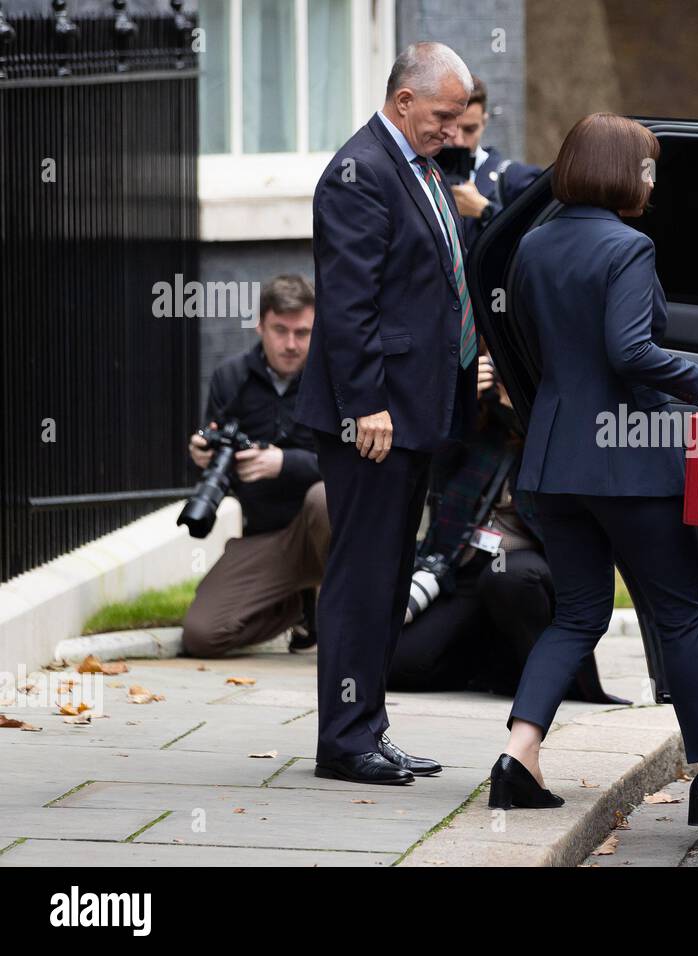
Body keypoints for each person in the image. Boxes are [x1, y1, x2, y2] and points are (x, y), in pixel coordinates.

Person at [487, 112, 698, 830]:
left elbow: (531, 351)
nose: (652, 181)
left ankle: (519, 755)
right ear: (617, 170)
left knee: (580, 613)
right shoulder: (629, 248)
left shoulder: (533, 245)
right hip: (629, 464)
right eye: (647, 168)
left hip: (555, 461)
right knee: (683, 617)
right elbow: (629, 351)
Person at [294, 41, 478, 786]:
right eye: (442, 116)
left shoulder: (416, 166)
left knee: (388, 572)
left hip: (410, 411)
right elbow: (347, 304)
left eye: (461, 119)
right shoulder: (359, 173)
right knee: (361, 578)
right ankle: (344, 739)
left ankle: (369, 725)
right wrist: (366, 403)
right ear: (404, 101)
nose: (454, 131)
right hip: (372, 418)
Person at [388, 355, 628, 706]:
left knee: (508, 578)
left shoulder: (557, 417)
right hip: (465, 563)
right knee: (396, 664)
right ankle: (490, 666)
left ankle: (546, 683)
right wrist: (461, 403)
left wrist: (518, 412)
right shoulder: (476, 417)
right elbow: (435, 467)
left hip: (528, 563)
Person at [181, 275, 326, 658]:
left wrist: (285, 463)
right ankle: (296, 607)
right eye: (280, 330)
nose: (291, 344)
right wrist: (204, 456)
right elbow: (222, 466)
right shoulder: (231, 378)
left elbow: (353, 467)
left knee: (324, 497)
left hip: (329, 532)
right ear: (260, 325)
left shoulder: (334, 380)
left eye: (303, 332)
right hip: (267, 538)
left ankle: (340, 612)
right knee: (202, 635)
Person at [447, 75, 541, 248]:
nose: (458, 140)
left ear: (484, 122)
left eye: (469, 129)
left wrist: (486, 211)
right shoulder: (418, 173)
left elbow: (539, 241)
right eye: (452, 127)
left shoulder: (512, 178)